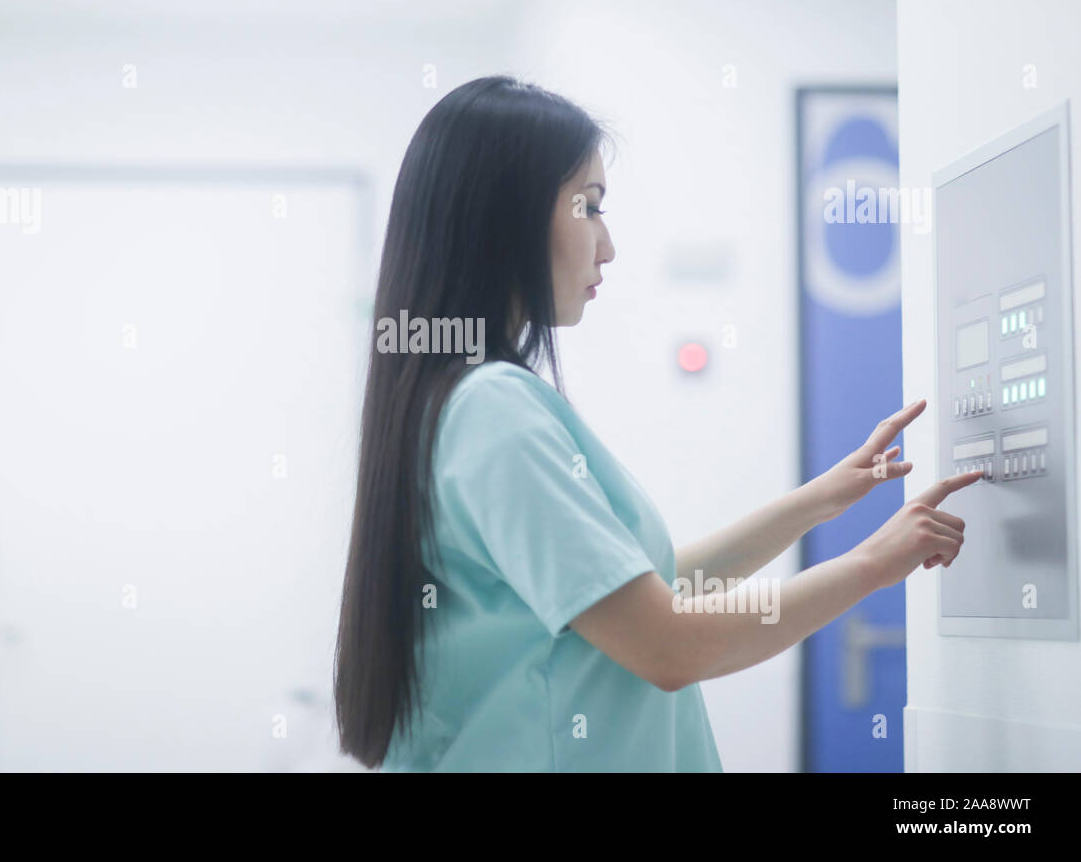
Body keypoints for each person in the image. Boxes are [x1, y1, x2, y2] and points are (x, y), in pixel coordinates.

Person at [332, 75, 981, 772]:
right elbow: (668, 645)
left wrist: (824, 498)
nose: (606, 246)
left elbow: (657, 592)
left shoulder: (458, 402)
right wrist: (870, 566)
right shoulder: (492, 411)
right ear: (504, 216)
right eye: (587, 207)